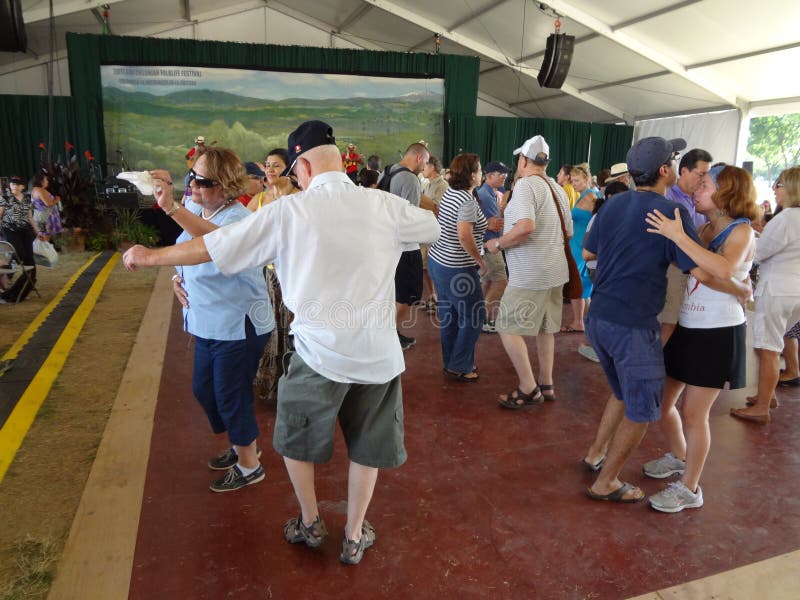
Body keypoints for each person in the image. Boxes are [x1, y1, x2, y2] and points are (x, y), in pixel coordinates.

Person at [122, 120, 440, 565]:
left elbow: (215, 247)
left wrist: (152, 256)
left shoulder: (289, 212)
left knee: (295, 441)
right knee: (369, 448)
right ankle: (353, 535)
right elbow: (431, 225)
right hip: (378, 354)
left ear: (304, 165)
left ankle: (310, 522)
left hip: (317, 353)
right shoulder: (382, 205)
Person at [580, 137, 738, 503]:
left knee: (621, 393)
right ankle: (607, 481)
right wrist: (738, 288)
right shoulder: (672, 214)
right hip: (634, 326)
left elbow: (589, 250)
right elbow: (701, 270)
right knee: (642, 410)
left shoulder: (614, 204)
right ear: (665, 170)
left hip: (600, 317)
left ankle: (594, 454)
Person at [143, 147, 275, 492]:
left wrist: (171, 208)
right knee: (205, 389)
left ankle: (250, 465)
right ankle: (242, 443)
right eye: (192, 178)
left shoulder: (240, 220)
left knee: (230, 395)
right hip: (207, 320)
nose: (194, 186)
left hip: (238, 322)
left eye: (203, 181)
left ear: (227, 184)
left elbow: (213, 242)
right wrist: (177, 278)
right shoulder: (197, 210)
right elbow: (185, 247)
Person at [642, 166, 757, 512]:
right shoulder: (704, 228)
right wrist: (739, 287)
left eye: (705, 185)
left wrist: (679, 239)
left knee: (694, 414)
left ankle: (690, 488)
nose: (696, 189)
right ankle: (680, 455)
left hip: (718, 332)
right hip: (688, 325)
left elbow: (719, 270)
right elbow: (709, 273)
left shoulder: (742, 232)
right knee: (662, 404)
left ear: (726, 192)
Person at [486, 135, 570, 408]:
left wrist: (497, 243)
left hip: (530, 273)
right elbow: (566, 231)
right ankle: (546, 384)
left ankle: (528, 387)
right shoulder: (556, 187)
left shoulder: (524, 187)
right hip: (555, 270)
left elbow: (525, 227)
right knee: (546, 329)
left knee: (507, 326)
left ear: (523, 160)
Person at [729, 167, 800, 424]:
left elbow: (759, 253)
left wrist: (749, 235)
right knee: (772, 344)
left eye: (779, 184)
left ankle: (762, 406)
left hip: (778, 289)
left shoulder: (785, 219)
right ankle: (766, 395)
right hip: (795, 289)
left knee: (768, 347)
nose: (774, 188)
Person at [427, 153, 488, 381]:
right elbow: (464, 236)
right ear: (472, 175)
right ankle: (460, 365)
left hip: (439, 262)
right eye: (480, 170)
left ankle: (453, 362)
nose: (481, 174)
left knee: (451, 315)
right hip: (457, 268)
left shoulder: (451, 193)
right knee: (474, 316)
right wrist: (480, 262)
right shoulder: (467, 201)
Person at [388, 142, 431, 350]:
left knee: (393, 294)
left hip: (386, 245)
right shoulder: (410, 179)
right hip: (405, 247)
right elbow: (411, 218)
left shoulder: (388, 173)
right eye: (426, 162)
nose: (425, 168)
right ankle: (387, 334)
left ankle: (390, 332)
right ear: (418, 158)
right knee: (408, 295)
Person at [563, 164, 599, 333]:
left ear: (586, 179)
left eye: (577, 180)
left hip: (580, 247)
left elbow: (598, 220)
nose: (573, 183)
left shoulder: (591, 196)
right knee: (583, 287)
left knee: (578, 285)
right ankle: (584, 321)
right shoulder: (585, 194)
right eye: (572, 180)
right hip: (578, 245)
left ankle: (579, 322)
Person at [475, 161, 508, 333]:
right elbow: (495, 224)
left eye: (505, 174)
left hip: (488, 244)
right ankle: (483, 318)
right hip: (489, 245)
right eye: (500, 174)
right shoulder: (486, 196)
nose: (504, 177)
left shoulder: (492, 193)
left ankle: (481, 317)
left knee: (487, 282)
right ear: (488, 176)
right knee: (501, 282)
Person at [0, 175, 42, 303]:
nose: (14, 186)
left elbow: (30, 217)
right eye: (13, 184)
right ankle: (7, 275)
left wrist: (38, 231)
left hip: (25, 231)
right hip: (10, 230)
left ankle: (21, 291)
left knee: (30, 263)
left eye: (17, 184)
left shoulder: (28, 199)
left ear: (23, 186)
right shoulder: (5, 198)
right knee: (20, 254)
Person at [420, 155, 449, 312]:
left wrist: (419, 198)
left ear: (432, 167)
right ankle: (433, 296)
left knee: (434, 268)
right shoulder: (427, 184)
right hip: (425, 232)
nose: (423, 169)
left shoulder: (442, 185)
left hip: (437, 234)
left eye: (425, 166)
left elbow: (439, 210)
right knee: (424, 267)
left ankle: (441, 298)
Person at [30, 173, 62, 241]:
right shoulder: (40, 190)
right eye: (46, 180)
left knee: (43, 237)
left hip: (41, 216)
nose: (47, 181)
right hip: (46, 217)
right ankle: (44, 251)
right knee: (45, 238)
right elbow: (49, 204)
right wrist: (56, 199)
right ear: (41, 181)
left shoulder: (34, 189)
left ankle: (44, 250)